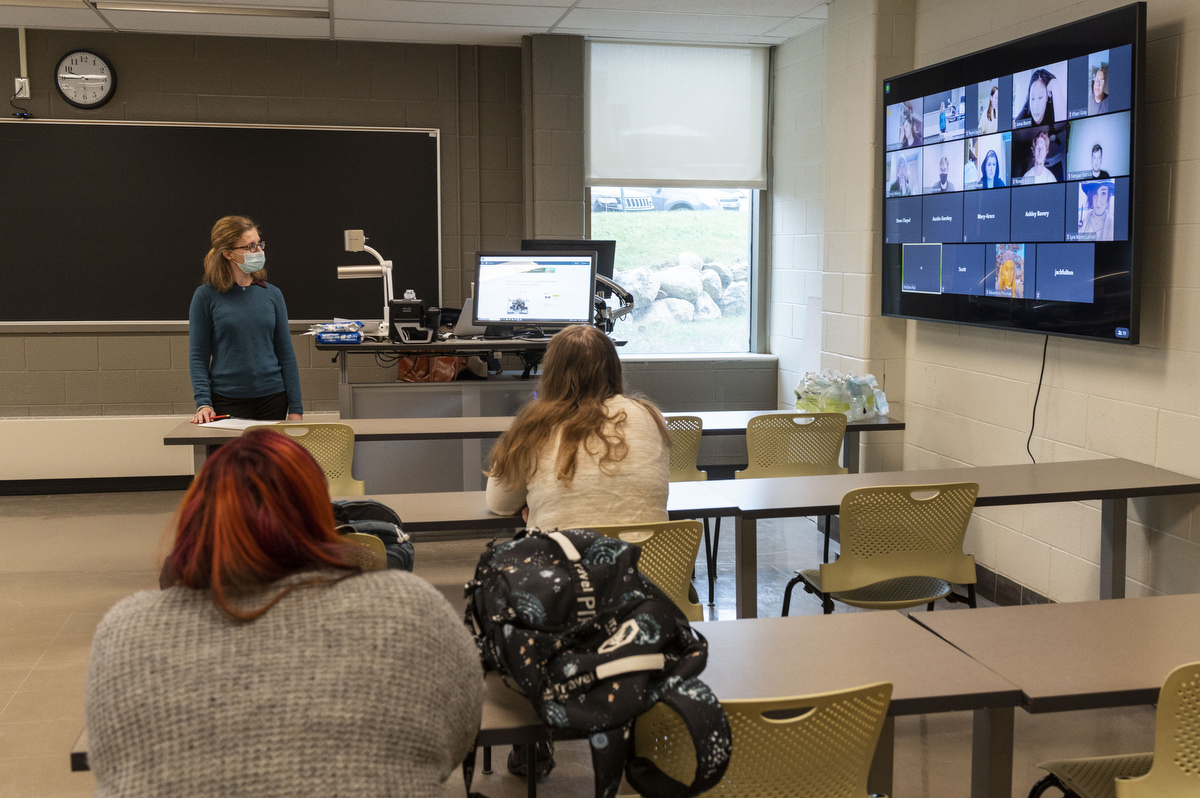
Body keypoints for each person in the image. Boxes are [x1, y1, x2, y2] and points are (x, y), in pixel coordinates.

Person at [85, 429, 484, 797]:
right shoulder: (410, 609)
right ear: (321, 513)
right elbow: (460, 735)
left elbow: (110, 764)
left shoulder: (125, 632)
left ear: (195, 519)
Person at [487, 324, 670, 531]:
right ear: (614, 368)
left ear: (552, 371)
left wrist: (538, 507)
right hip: (647, 552)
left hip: (565, 550)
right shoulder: (650, 416)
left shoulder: (534, 424)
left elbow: (499, 504)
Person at [189, 215, 303, 424]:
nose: (259, 251)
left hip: (273, 398)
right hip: (227, 400)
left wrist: (296, 408)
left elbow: (286, 353)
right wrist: (204, 403)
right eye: (250, 246)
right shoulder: (205, 296)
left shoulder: (272, 294)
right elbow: (198, 356)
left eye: (259, 244)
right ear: (228, 253)